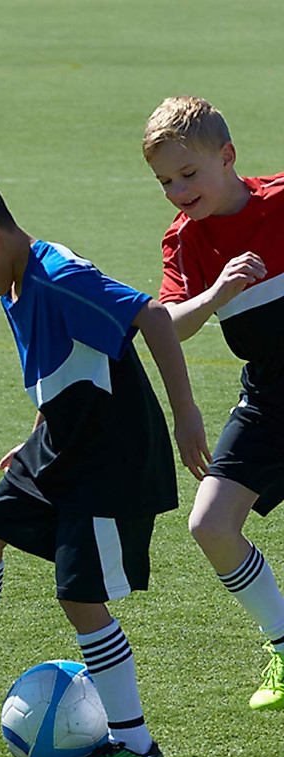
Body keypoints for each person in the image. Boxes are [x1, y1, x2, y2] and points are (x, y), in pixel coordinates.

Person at [0, 176, 210, 757]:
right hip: (59, 445)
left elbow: (157, 319)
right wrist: (36, 429)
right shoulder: (13, 282)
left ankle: (136, 749)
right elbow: (60, 362)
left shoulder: (59, 276)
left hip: (109, 463)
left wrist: (185, 415)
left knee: (81, 599)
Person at [143, 95, 284, 711]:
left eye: (188, 174)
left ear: (227, 157)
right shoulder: (187, 242)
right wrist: (219, 291)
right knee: (209, 523)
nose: (177, 190)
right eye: (165, 181)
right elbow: (167, 324)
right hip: (270, 397)